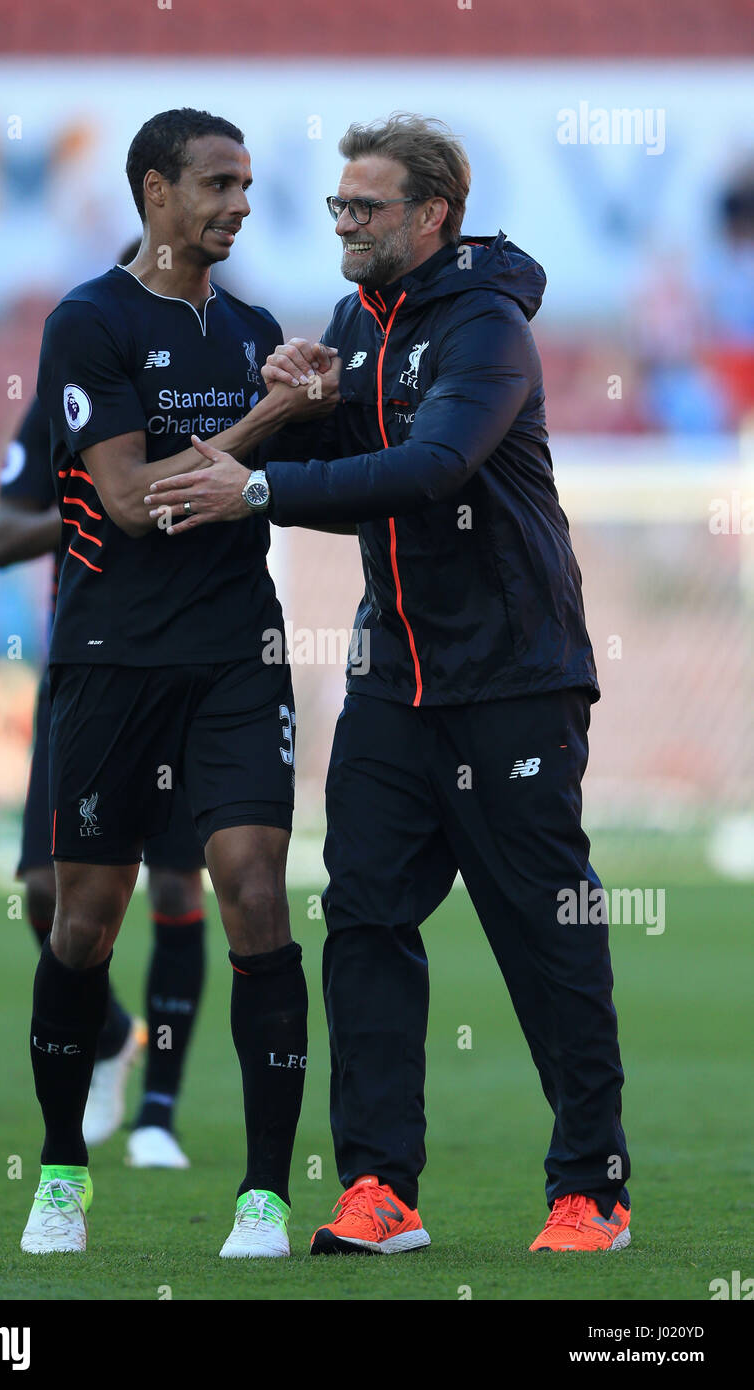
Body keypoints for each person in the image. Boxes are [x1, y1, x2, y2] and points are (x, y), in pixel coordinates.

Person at [150, 113, 632, 1256]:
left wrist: (258, 492)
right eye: (335, 208)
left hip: (510, 675)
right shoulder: (351, 328)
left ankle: (590, 1192)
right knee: (362, 919)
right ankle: (379, 1187)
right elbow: (324, 463)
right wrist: (281, 410)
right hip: (392, 682)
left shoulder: (486, 331)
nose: (341, 225)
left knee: (541, 931)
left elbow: (431, 470)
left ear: (429, 216)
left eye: (362, 209)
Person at [20, 107, 340, 1257]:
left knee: (254, 887)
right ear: (154, 192)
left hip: (237, 660)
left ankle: (264, 1192)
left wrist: (329, 393)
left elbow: (301, 473)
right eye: (216, 183)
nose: (239, 204)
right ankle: (62, 1171)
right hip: (112, 661)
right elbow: (123, 500)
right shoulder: (89, 321)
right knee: (84, 923)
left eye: (248, 185)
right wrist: (272, 411)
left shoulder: (253, 326)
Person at [0, 286, 207, 1170]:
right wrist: (94, 500)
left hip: (191, 661)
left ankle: (157, 1114)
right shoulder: (66, 388)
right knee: (48, 891)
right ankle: (116, 1032)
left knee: (177, 885)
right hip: (88, 665)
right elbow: (2, 536)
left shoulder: (210, 387)